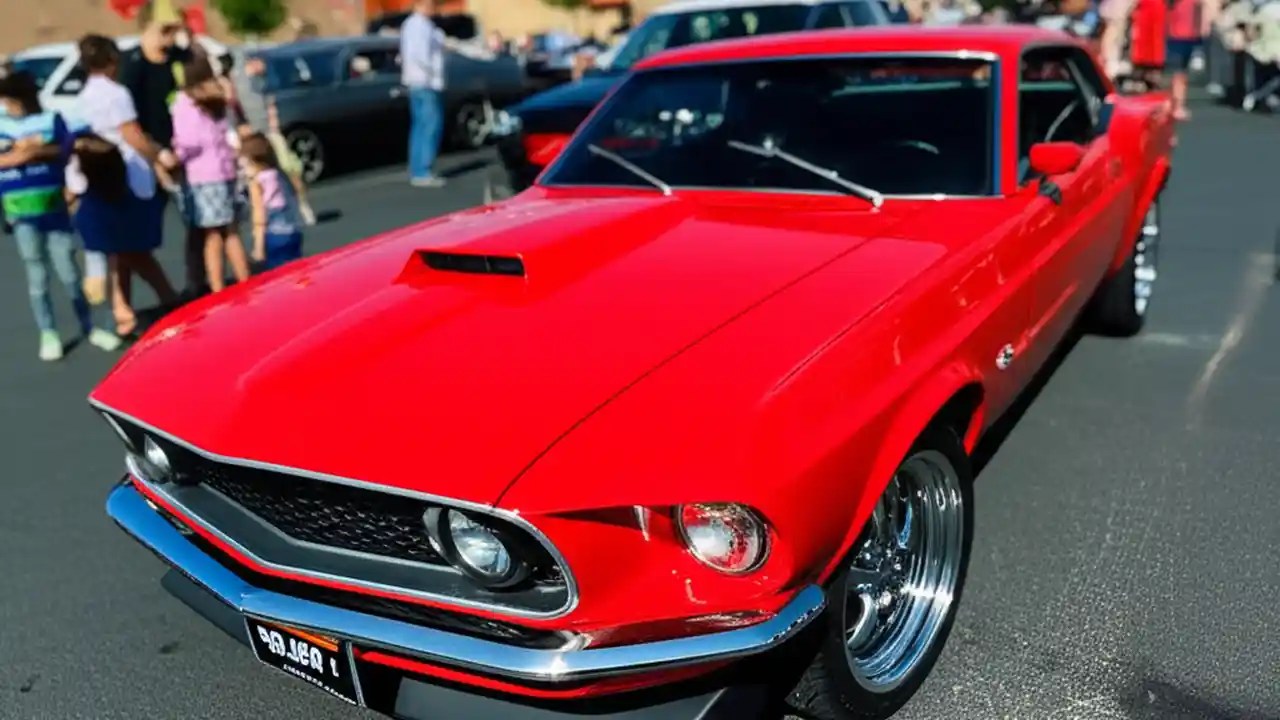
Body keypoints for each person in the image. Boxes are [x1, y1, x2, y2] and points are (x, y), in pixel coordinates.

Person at [0, 72, 121, 360]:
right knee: (37, 274)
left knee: (68, 271)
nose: (9, 107)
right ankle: (48, 332)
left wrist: (35, 151)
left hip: (54, 207)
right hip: (20, 212)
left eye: (12, 101)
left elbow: (65, 149)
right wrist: (16, 157)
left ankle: (89, 326)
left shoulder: (51, 119)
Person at [70, 34, 178, 339]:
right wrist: (159, 155)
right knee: (133, 246)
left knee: (118, 247)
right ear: (111, 61)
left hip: (96, 176)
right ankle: (168, 298)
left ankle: (123, 309)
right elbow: (131, 134)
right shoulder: (116, 94)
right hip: (124, 174)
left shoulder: (82, 98)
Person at [119, 7, 205, 295]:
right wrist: (155, 157)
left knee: (198, 221)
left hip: (186, 153)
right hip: (149, 158)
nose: (169, 39)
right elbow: (129, 123)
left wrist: (190, 41)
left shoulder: (180, 59)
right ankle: (127, 301)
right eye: (164, 31)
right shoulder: (132, 66)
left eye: (174, 31)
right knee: (135, 234)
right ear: (145, 29)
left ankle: (196, 282)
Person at [172, 59, 249, 293]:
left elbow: (190, 141)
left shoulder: (185, 102)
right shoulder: (217, 98)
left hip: (202, 176)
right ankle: (245, 281)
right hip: (226, 170)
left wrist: (175, 153)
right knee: (232, 232)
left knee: (213, 236)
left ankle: (218, 288)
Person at [230, 54, 316, 224]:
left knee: (289, 168)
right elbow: (234, 103)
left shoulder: (263, 81)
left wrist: (274, 123)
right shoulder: (239, 80)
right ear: (253, 62)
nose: (264, 68)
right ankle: (263, 213)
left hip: (269, 131)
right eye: (261, 64)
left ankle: (302, 204)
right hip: (252, 134)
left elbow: (271, 103)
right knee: (255, 174)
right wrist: (241, 125)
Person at [400, 0, 448, 188]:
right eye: (429, 5)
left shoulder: (412, 25)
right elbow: (420, 54)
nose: (433, 8)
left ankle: (417, 168)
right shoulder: (421, 26)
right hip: (426, 82)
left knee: (419, 126)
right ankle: (423, 170)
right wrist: (433, 72)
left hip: (415, 82)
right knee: (431, 125)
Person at [241, 132, 304, 270]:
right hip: (293, 230)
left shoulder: (256, 182)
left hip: (274, 235)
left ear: (250, 159)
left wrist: (258, 248)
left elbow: (259, 215)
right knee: (297, 270)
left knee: (279, 273)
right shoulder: (280, 175)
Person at [1167, 0, 1207, 119]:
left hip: (1190, 37)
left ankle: (1178, 104)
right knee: (1178, 73)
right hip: (1175, 36)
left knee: (1182, 74)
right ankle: (1176, 105)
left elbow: (1199, 11)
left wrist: (1201, 32)